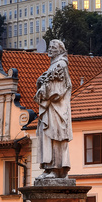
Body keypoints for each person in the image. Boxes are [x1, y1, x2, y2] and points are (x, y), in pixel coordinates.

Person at [35, 39, 72, 175]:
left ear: (60, 50)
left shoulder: (60, 64)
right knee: (48, 137)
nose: (50, 49)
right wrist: (40, 83)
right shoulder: (54, 65)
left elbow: (57, 91)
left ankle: (56, 169)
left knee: (56, 136)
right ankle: (48, 168)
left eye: (53, 48)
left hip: (57, 108)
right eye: (49, 47)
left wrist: (42, 93)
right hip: (50, 108)